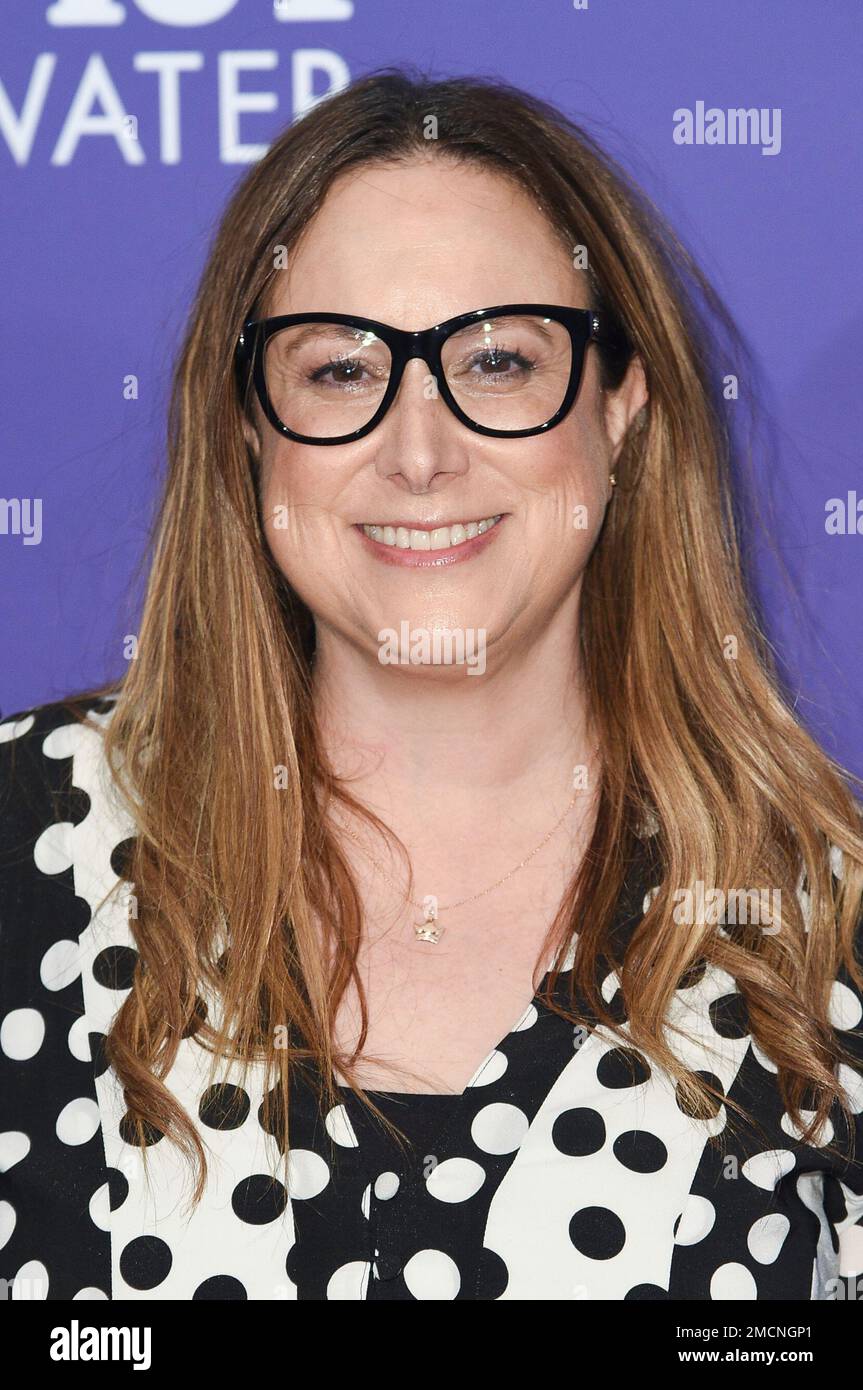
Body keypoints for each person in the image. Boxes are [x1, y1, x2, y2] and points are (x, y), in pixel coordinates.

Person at [1, 68, 861, 1303]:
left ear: (621, 408)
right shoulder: (25, 839)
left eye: (498, 360)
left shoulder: (822, 924)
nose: (418, 452)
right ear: (247, 426)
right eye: (340, 372)